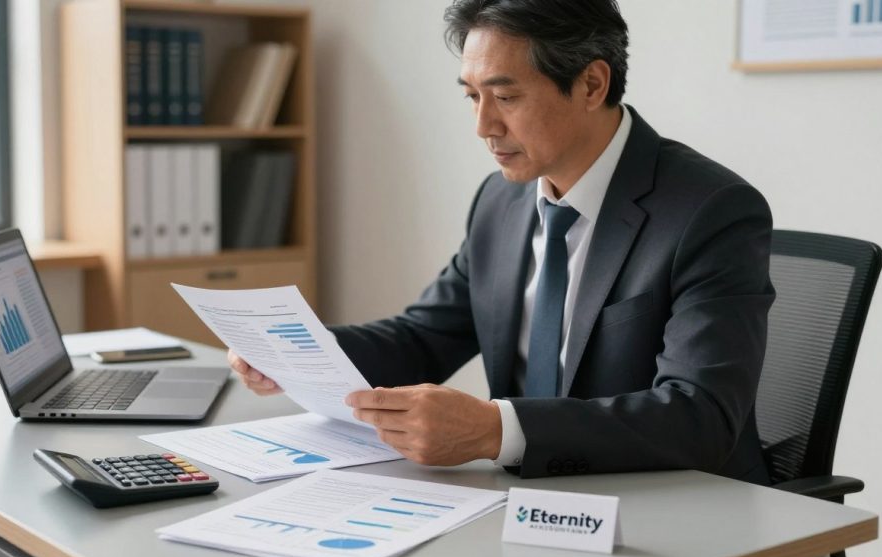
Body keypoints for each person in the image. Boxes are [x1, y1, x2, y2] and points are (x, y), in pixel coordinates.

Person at [228, 0, 775, 485]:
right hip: (522, 502)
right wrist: (300, 352)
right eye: (472, 97)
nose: (483, 125)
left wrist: (496, 430)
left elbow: (700, 415)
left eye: (505, 97)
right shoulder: (502, 200)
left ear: (591, 85)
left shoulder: (710, 210)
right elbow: (425, 337)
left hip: (669, 507)